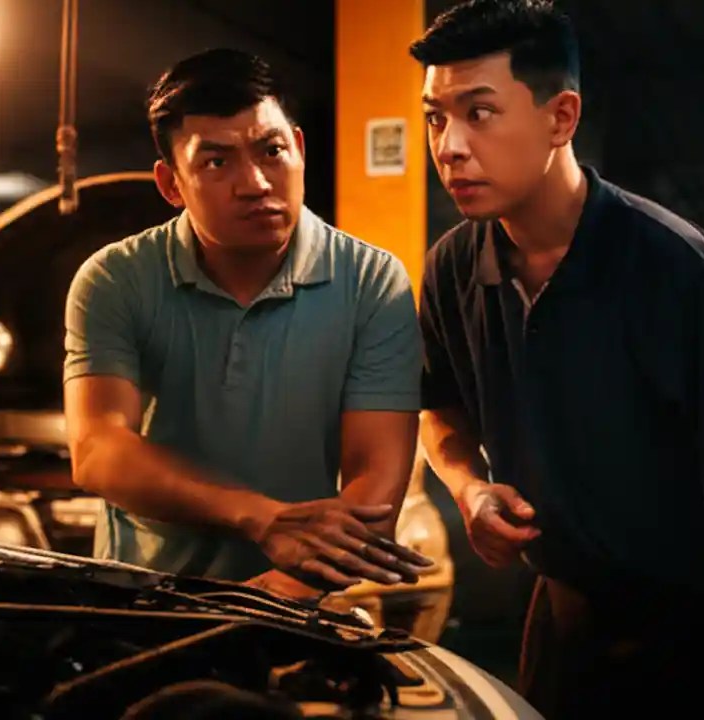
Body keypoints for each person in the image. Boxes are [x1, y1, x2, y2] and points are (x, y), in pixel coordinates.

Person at [408, 2, 704, 718]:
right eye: (435, 117)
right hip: (561, 616)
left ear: (561, 117)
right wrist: (470, 488)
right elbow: (438, 405)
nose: (448, 145)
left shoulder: (678, 268)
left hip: (690, 627)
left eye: (478, 113)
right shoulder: (451, 268)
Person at [62, 48, 432, 600]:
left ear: (300, 149)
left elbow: (374, 487)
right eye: (217, 162)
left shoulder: (371, 282)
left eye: (272, 150)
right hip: (143, 598)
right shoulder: (116, 279)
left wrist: (267, 598)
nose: (256, 182)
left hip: (294, 603)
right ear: (170, 184)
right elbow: (97, 448)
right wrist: (255, 516)